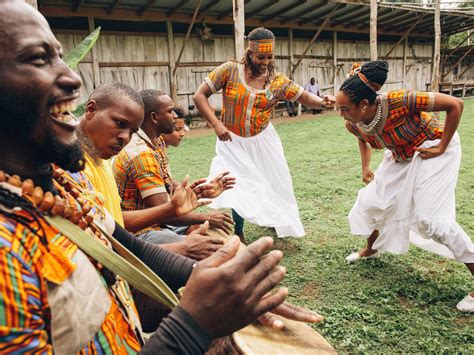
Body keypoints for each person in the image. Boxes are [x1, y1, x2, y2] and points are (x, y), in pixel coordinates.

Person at [0, 2, 323, 352]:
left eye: (61, 57)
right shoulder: (7, 251)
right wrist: (193, 323)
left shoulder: (63, 181)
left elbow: (125, 241)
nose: (71, 77)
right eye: (37, 58)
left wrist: (207, 275)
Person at [336, 60, 474, 312]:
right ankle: (371, 249)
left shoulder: (402, 100)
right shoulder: (352, 121)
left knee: (432, 221)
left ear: (364, 104)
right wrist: (365, 167)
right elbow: (363, 138)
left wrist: (442, 145)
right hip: (401, 156)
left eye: (344, 108)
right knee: (370, 202)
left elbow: (455, 105)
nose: (341, 114)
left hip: (433, 149)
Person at [193, 27, 335, 242]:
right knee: (237, 184)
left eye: (270, 57)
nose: (266, 61)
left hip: (264, 140)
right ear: (249, 53)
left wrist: (322, 100)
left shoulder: (277, 81)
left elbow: (304, 97)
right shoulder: (229, 70)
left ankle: (277, 220)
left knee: (277, 182)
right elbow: (199, 96)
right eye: (261, 57)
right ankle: (238, 232)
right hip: (232, 140)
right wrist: (216, 124)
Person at [78, 82, 228, 260]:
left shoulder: (153, 143)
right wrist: (183, 230)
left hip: (135, 234)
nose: (125, 137)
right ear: (91, 110)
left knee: (205, 235)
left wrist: (194, 193)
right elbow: (162, 216)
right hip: (142, 233)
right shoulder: (139, 155)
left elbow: (115, 220)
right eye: (120, 123)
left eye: (132, 131)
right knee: (213, 250)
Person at [113, 89, 235, 237]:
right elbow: (166, 212)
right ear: (154, 117)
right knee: (206, 240)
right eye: (170, 111)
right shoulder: (142, 155)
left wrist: (201, 191)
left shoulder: (156, 141)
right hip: (140, 231)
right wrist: (205, 217)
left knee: (203, 231)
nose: (175, 115)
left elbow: (166, 188)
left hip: (160, 222)